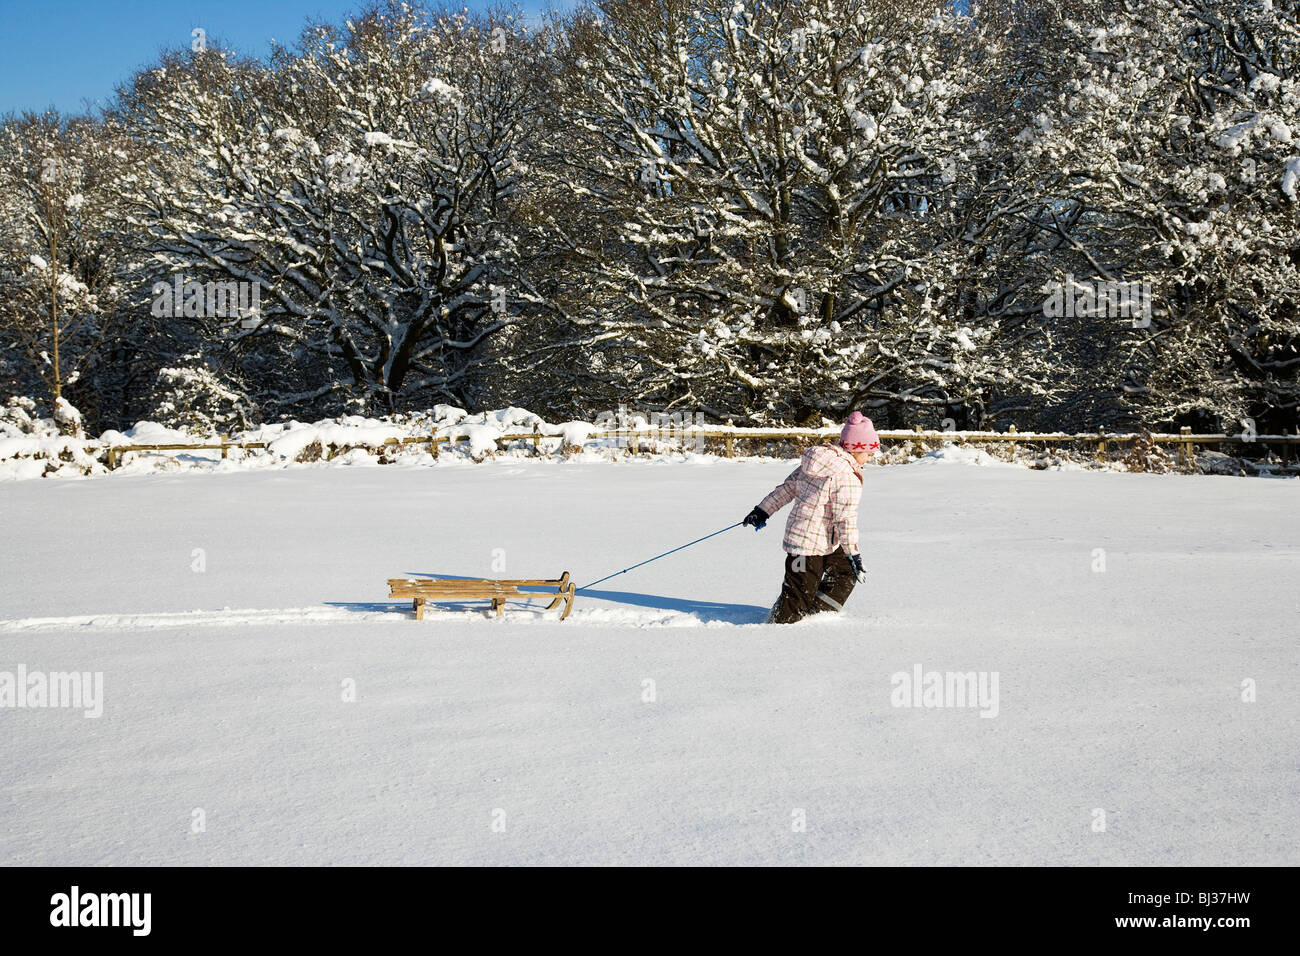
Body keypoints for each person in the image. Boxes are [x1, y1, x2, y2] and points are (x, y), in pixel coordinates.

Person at [743, 412, 880, 623]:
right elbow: (846, 518)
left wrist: (763, 510)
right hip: (804, 547)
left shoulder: (817, 462)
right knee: (798, 592)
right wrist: (854, 554)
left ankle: (816, 617)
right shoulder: (846, 476)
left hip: (826, 542)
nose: (870, 458)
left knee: (845, 572)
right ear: (856, 447)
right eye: (869, 453)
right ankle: (779, 626)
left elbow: (787, 489)